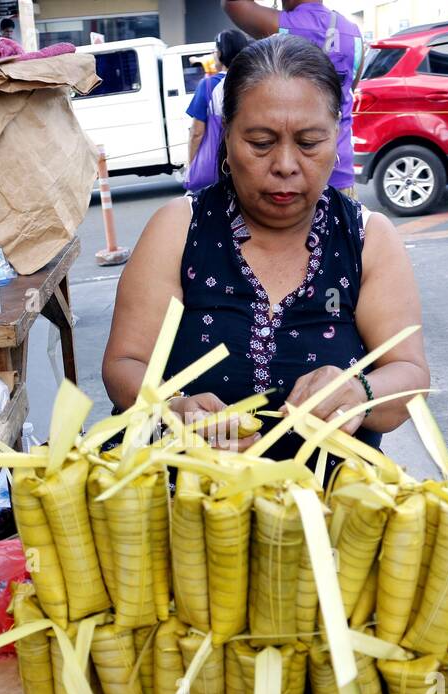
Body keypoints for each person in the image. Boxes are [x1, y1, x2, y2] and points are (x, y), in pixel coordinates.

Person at [103, 34, 428, 459]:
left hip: (333, 496)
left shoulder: (368, 239)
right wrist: (171, 409)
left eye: (309, 143)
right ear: (227, 136)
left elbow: (409, 372)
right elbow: (124, 364)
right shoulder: (179, 228)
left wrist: (360, 390)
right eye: (260, 142)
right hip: (186, 488)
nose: (285, 165)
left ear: (336, 136)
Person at [222, 1, 364, 198]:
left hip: (282, 185)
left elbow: (232, 4)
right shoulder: (353, 33)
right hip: (340, 170)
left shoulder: (285, 24)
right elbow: (347, 92)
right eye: (261, 142)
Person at [184, 29, 251, 192]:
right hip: (249, 163)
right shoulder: (254, 81)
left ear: (220, 53)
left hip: (218, 166)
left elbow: (197, 133)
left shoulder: (208, 86)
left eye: (214, 51)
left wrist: (191, 165)